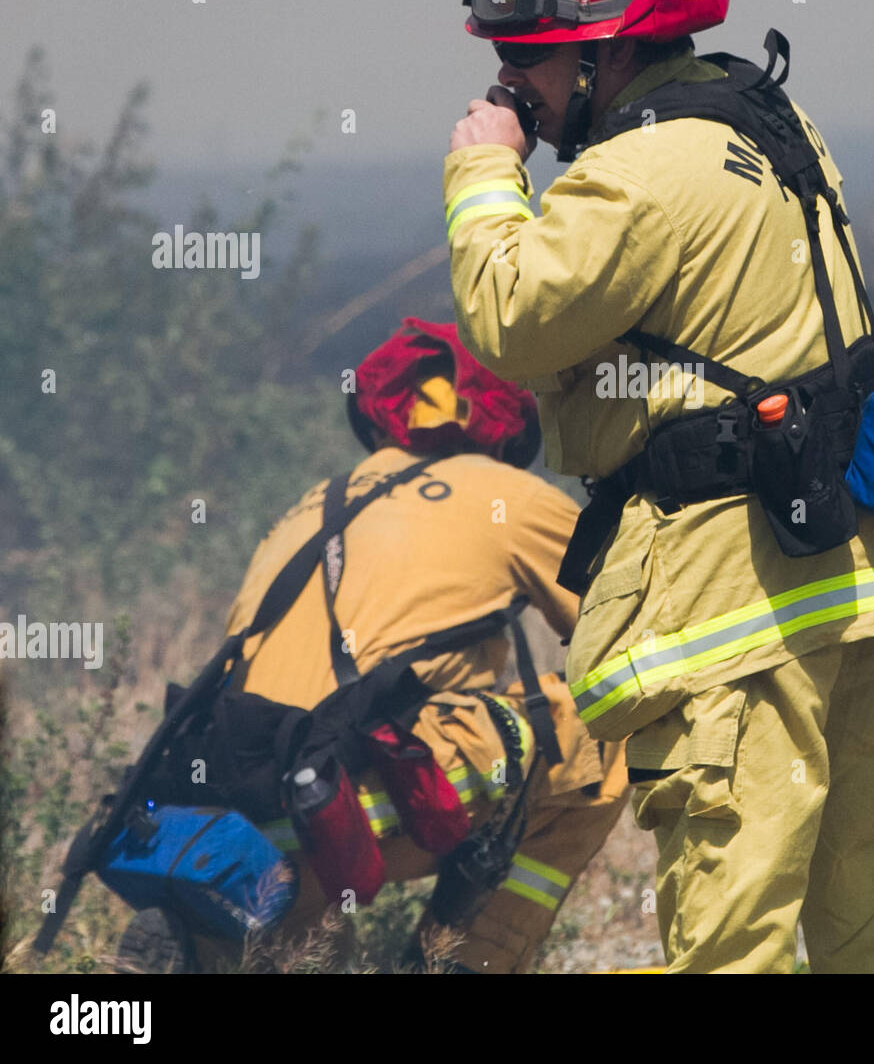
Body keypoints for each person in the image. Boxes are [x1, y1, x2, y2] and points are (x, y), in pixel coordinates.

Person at [442, 0, 874, 973]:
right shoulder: (764, 121)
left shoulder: (638, 173)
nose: (510, 84)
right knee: (871, 898)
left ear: (602, 51)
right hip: (843, 570)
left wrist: (485, 171)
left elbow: (511, 319)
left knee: (732, 924)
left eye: (527, 59)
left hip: (735, 598)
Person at [118, 318, 629, 973]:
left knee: (314, 955)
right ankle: (464, 961)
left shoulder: (312, 504)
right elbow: (627, 621)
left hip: (240, 822)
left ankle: (201, 948)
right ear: (504, 421)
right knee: (603, 724)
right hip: (360, 801)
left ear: (381, 413)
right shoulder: (508, 495)